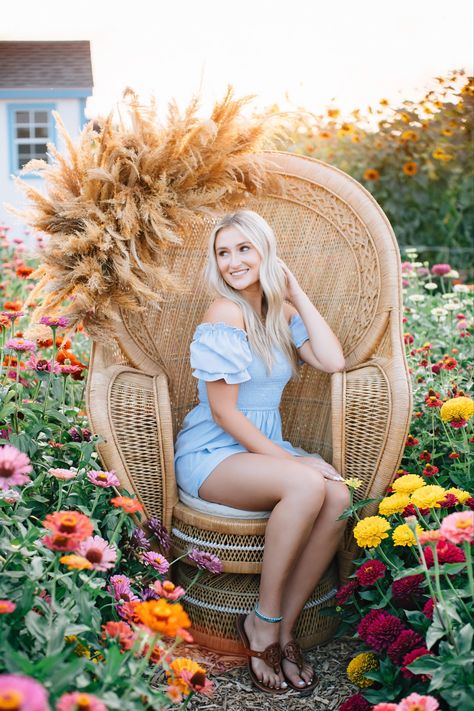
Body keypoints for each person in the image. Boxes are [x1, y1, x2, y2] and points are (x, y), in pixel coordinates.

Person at [174, 210, 350, 695]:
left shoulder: (282, 314)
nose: (233, 261)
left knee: (337, 496)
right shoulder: (224, 313)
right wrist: (291, 462)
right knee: (306, 481)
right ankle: (263, 621)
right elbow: (226, 414)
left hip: (262, 450)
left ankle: (284, 627)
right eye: (223, 252)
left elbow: (333, 360)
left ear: (266, 251)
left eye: (243, 248)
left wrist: (296, 294)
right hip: (215, 451)